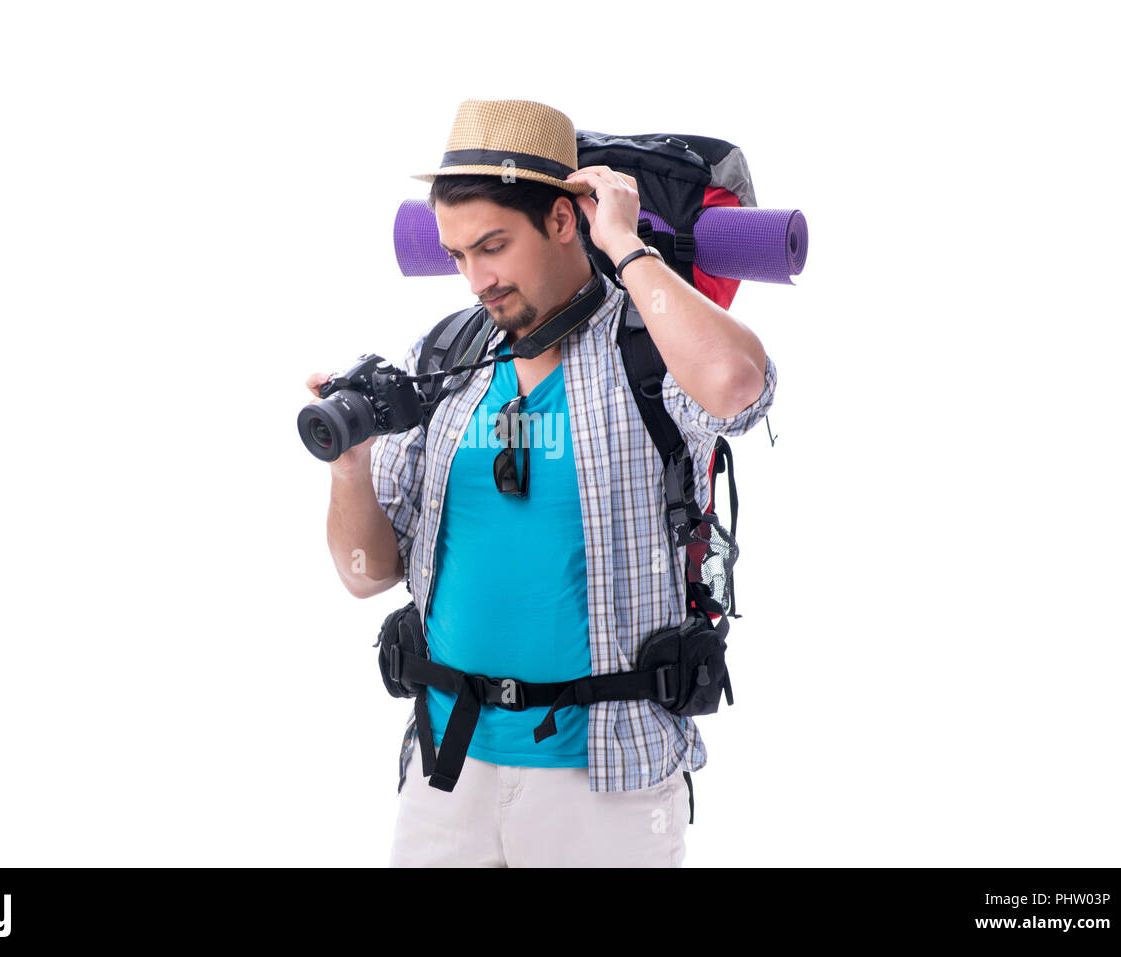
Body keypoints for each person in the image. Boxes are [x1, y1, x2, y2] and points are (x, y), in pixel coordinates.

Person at [308, 99, 777, 867]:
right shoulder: (445, 356)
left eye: (493, 245)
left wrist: (623, 242)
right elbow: (369, 573)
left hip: (604, 778)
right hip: (446, 768)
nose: (476, 279)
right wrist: (349, 464)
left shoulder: (648, 349)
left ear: (565, 221)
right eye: (458, 253)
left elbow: (736, 383)